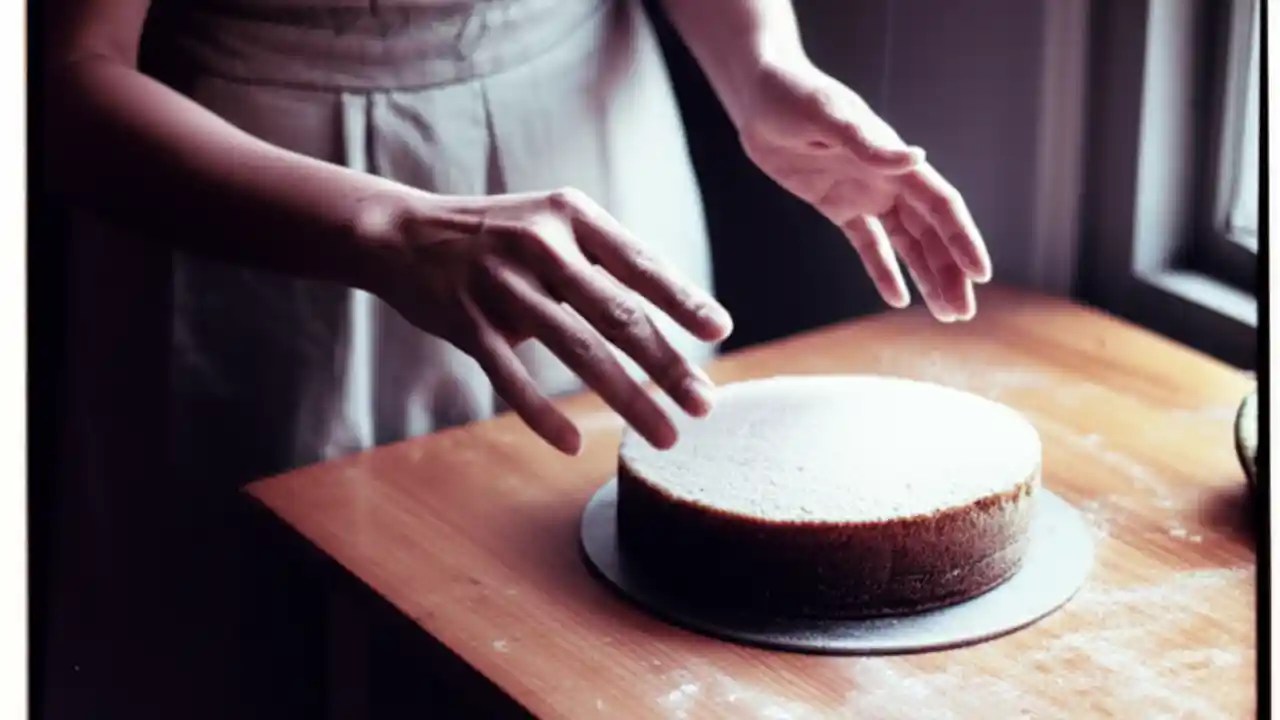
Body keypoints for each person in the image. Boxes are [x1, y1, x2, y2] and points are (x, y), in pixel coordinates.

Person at [44, 0, 991, 715]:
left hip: (590, 172)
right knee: (259, 654)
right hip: (266, 207)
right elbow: (61, 79)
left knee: (603, 645)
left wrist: (760, 63)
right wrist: (388, 230)